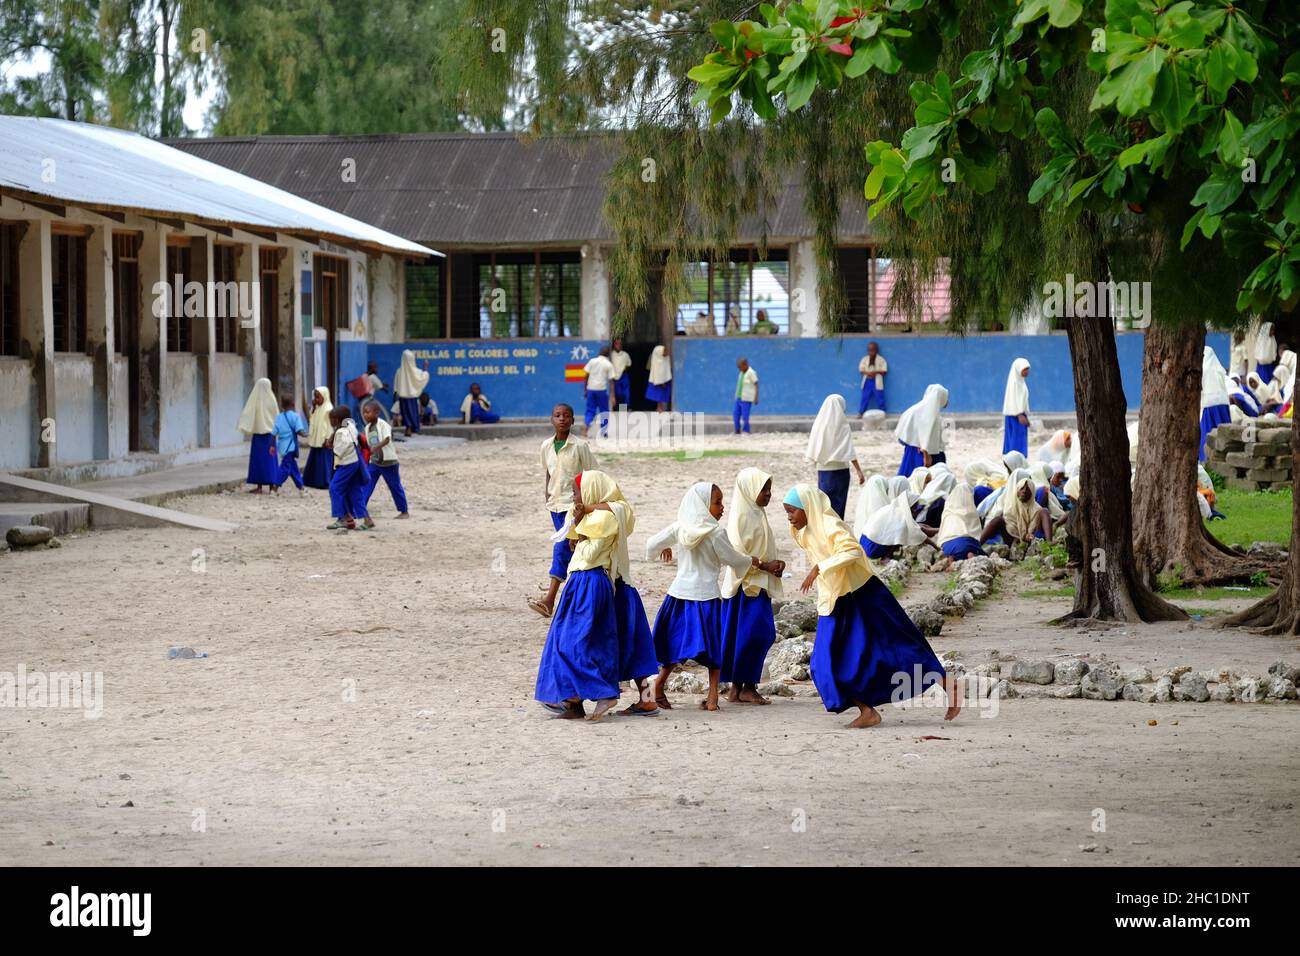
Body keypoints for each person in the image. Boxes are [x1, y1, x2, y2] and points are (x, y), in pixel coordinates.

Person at [782, 484, 960, 728]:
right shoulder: (802, 531)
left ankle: (946, 683)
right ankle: (867, 710)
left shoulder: (830, 524)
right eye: (786, 512)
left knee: (898, 644)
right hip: (835, 600)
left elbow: (853, 551)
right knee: (825, 663)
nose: (789, 517)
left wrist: (820, 567)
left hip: (863, 593)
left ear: (808, 508)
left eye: (792, 511)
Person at [647, 482, 768, 712]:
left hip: (678, 596)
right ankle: (712, 699)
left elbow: (651, 544)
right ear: (703, 505)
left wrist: (664, 549)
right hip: (706, 598)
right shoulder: (716, 533)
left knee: (674, 645)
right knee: (713, 652)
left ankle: (659, 685)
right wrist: (752, 561)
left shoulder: (680, 528)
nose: (722, 507)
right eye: (717, 502)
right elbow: (733, 559)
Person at [533, 471, 624, 721]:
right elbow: (573, 545)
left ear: (592, 491)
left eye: (577, 492)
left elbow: (591, 554)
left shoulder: (606, 518)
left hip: (590, 582)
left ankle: (602, 692)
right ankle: (572, 701)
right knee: (566, 640)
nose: (574, 498)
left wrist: (582, 530)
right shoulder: (589, 517)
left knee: (573, 642)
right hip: (579, 582)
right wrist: (579, 530)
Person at [720, 468, 784, 705]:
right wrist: (766, 566)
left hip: (758, 585)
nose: (768, 494)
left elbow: (764, 546)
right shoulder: (741, 517)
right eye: (763, 490)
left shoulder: (757, 513)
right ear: (749, 491)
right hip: (745, 588)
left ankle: (741, 688)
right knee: (755, 634)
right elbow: (737, 553)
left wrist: (776, 565)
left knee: (748, 636)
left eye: (769, 489)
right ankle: (743, 687)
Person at [529, 404, 597, 619]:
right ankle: (584, 599)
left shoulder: (579, 446)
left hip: (573, 506)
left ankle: (550, 600)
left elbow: (592, 475)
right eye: (558, 416)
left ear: (573, 421)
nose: (562, 419)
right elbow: (549, 472)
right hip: (555, 506)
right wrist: (546, 494)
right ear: (551, 419)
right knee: (575, 549)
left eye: (566, 416)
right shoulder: (546, 446)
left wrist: (584, 505)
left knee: (561, 547)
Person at [806, 394, 865, 519]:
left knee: (825, 505)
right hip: (841, 471)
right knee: (838, 506)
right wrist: (859, 471)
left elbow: (814, 446)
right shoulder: (842, 425)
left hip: (823, 470)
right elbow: (849, 450)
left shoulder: (819, 424)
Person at [855, 475, 927, 560]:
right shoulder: (896, 511)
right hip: (872, 548)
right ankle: (886, 556)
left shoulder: (890, 507)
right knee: (901, 530)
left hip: (864, 543)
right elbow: (911, 530)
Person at [361, 400, 409, 520]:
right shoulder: (367, 428)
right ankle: (360, 509)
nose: (365, 415)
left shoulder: (383, 424)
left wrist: (375, 448)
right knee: (367, 484)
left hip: (389, 462)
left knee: (395, 486)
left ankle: (404, 511)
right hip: (375, 462)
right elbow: (367, 443)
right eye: (364, 413)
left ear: (376, 412)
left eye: (368, 412)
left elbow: (387, 439)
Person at [326, 406, 370, 531]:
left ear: (338, 419)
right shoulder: (350, 427)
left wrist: (330, 445)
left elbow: (339, 450)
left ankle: (344, 517)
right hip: (355, 462)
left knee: (334, 488)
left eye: (332, 419)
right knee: (354, 491)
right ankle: (367, 519)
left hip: (346, 464)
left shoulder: (341, 432)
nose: (330, 421)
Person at [979, 470, 1050, 547]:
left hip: (1030, 538)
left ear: (1032, 491)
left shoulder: (1036, 508)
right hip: (1012, 536)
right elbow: (1009, 522)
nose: (1024, 491)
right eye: (1022, 488)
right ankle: (977, 546)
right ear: (1017, 488)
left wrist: (1028, 535)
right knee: (997, 520)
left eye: (1027, 489)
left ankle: (1050, 543)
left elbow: (1033, 525)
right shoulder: (1010, 504)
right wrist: (1022, 536)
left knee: (1044, 511)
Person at [894, 383, 948, 476]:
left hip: (912, 452)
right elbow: (926, 439)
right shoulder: (930, 415)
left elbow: (903, 437)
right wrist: (926, 455)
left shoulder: (914, 410)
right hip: (925, 456)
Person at [238, 377, 279, 494]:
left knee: (258, 461)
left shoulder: (254, 401)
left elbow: (248, 414)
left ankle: (259, 486)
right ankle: (272, 486)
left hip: (258, 435)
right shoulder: (272, 400)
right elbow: (277, 417)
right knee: (270, 460)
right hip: (271, 436)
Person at [936, 482, 985, 562]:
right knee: (979, 554)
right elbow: (977, 536)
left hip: (949, 546)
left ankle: (952, 558)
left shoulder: (948, 511)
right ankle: (970, 555)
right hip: (970, 545)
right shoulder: (972, 512)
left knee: (952, 549)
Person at [1199, 346, 1232, 461]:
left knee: (1207, 433)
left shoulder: (1203, 368)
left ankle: (1206, 458)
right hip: (1223, 403)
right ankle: (1227, 456)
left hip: (1209, 404)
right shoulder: (1219, 368)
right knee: (1224, 433)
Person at [272, 394, 309, 496]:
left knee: (293, 467)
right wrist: (307, 434)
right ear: (293, 404)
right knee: (285, 467)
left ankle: (301, 488)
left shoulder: (279, 417)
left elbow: (273, 434)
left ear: (281, 405)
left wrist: (272, 446)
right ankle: (275, 488)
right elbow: (299, 431)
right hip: (291, 446)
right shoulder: (295, 416)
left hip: (282, 446)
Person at [393, 350, 431, 437]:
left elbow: (396, 383)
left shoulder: (399, 371)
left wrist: (395, 392)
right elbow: (423, 376)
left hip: (403, 397)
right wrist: (425, 367)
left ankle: (408, 428)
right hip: (412, 397)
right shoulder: (415, 371)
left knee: (405, 413)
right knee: (413, 412)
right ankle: (414, 428)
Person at [303, 387, 335, 490]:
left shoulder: (328, 408)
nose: (316, 400)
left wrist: (328, 438)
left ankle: (325, 482)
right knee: (315, 460)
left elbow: (330, 425)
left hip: (324, 439)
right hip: (317, 438)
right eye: (315, 397)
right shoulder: (317, 408)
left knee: (324, 461)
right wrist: (313, 407)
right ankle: (311, 480)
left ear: (324, 396)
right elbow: (312, 418)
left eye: (318, 397)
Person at [582, 345, 616, 437]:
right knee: (604, 411)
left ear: (600, 352)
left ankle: (586, 426)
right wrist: (613, 395)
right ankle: (603, 432)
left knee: (590, 410)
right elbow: (611, 381)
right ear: (608, 354)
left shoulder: (592, 361)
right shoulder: (608, 364)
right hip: (601, 391)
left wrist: (585, 390)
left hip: (591, 390)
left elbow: (586, 376)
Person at [1002, 358, 1031, 455]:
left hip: (1020, 415)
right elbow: (1013, 399)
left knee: (1019, 441)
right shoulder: (1014, 382)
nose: (1027, 371)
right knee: (1016, 442)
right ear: (1018, 369)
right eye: (1025, 369)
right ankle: (1014, 463)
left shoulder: (1021, 382)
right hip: (1015, 417)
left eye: (1028, 369)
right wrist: (1019, 414)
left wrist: (1025, 414)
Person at [858, 341, 887, 414]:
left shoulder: (881, 360)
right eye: (869, 350)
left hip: (876, 381)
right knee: (865, 398)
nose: (871, 352)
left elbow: (884, 371)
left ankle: (882, 412)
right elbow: (861, 370)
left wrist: (876, 372)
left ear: (877, 350)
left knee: (880, 398)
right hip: (867, 382)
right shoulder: (865, 359)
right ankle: (861, 412)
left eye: (872, 350)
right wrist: (867, 373)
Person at [733, 357, 759, 434]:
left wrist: (756, 397)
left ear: (745, 365)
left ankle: (746, 430)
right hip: (738, 397)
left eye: (740, 367)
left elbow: (756, 384)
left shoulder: (751, 372)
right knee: (736, 414)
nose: (739, 369)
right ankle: (737, 430)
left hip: (746, 399)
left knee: (745, 416)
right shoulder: (741, 373)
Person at [646, 344, 672, 410]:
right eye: (664, 351)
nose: (666, 352)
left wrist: (664, 380)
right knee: (659, 395)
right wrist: (661, 381)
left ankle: (664, 408)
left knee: (665, 396)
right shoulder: (655, 362)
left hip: (666, 383)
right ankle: (622, 411)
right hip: (658, 384)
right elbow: (657, 374)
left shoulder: (665, 359)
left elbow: (666, 371)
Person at [610, 337, 632, 410]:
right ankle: (614, 409)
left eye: (620, 344)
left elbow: (628, 364)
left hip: (623, 376)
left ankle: (623, 410)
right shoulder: (611, 354)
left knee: (625, 395)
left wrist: (623, 370)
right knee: (616, 394)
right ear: (613, 345)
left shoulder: (625, 354)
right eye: (616, 344)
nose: (618, 345)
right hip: (613, 377)